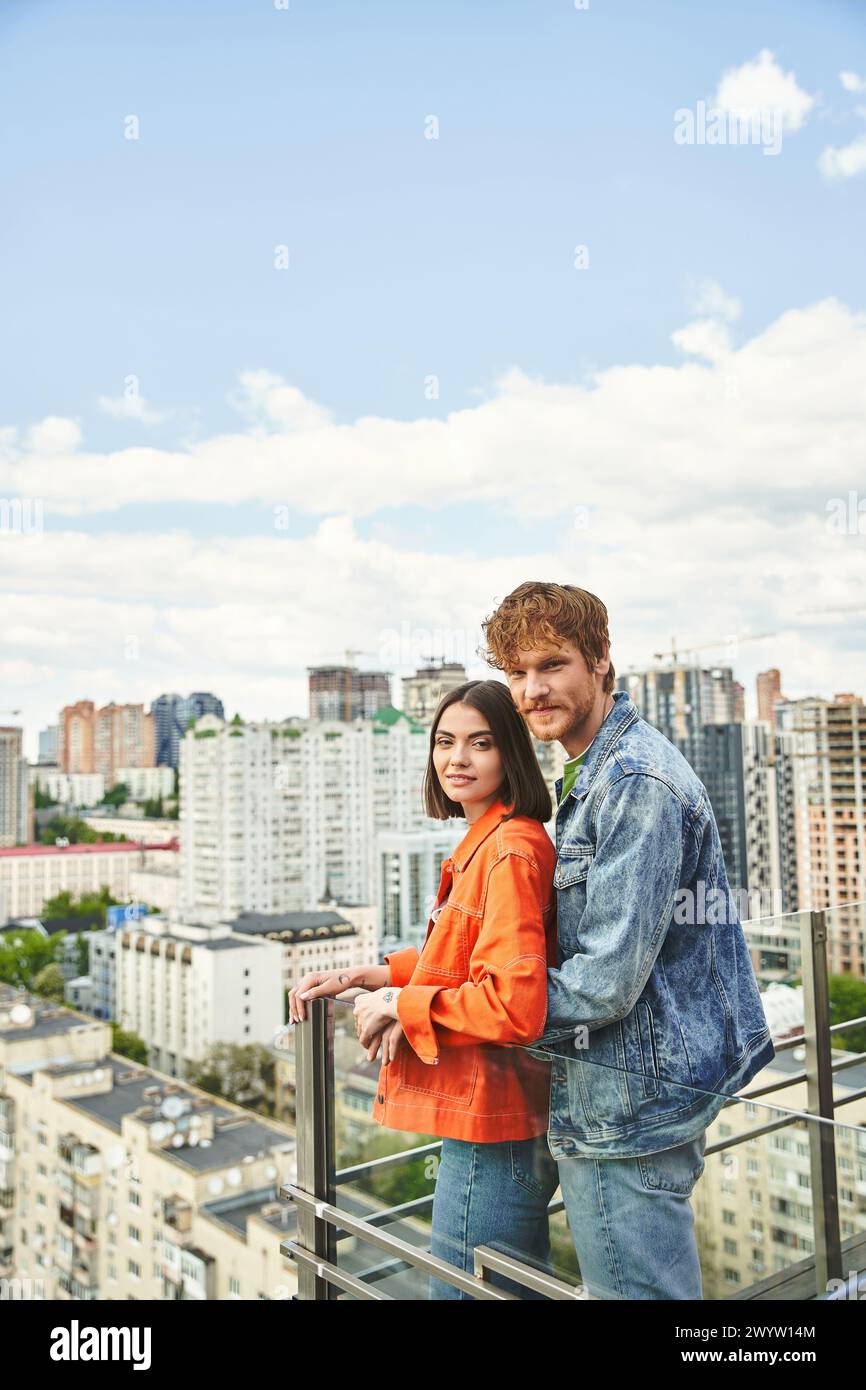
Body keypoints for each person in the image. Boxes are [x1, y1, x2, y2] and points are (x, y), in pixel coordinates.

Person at [480, 580, 776, 1300]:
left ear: (601, 660)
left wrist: (465, 1009)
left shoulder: (634, 780)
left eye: (551, 665)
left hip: (629, 1113)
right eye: (516, 673)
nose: (531, 689)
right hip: (624, 1095)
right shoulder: (594, 772)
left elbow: (603, 981)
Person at [289, 679, 559, 1299]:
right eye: (444, 742)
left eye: (480, 743)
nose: (457, 759)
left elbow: (515, 1005)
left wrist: (397, 1005)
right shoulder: (487, 839)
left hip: (494, 1128)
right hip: (493, 1121)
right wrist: (370, 977)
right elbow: (463, 958)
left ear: (510, 753)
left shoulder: (510, 850)